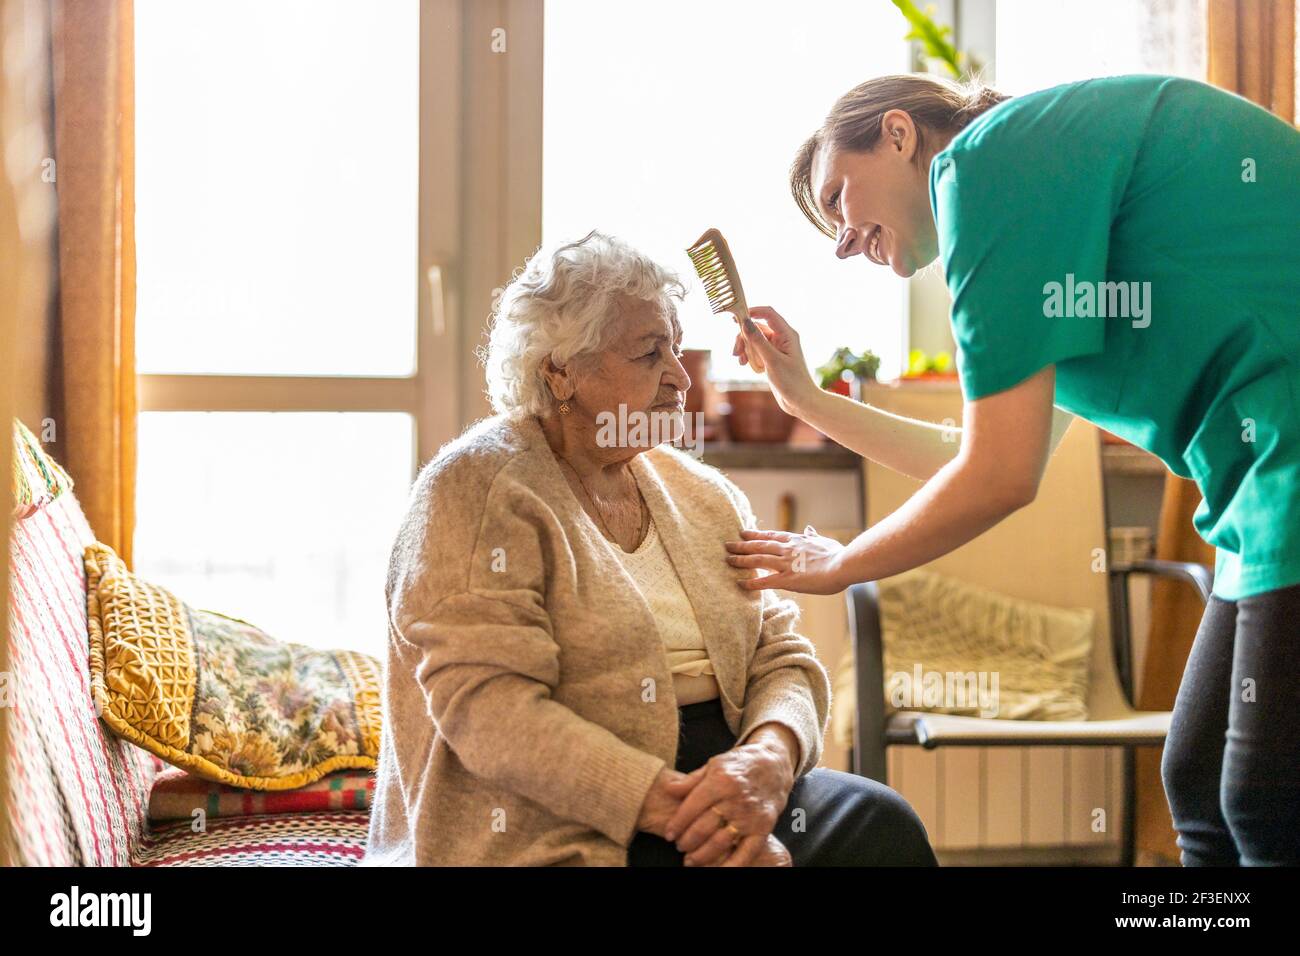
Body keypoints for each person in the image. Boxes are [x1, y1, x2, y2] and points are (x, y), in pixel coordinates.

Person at [725, 72, 1300, 866]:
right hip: (1262, 486)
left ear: (898, 135)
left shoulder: (987, 167)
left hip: (1287, 458)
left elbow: (999, 477)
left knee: (1265, 803)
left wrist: (843, 564)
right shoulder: (1037, 204)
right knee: (1200, 787)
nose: (841, 240)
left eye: (837, 200)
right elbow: (975, 453)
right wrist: (807, 401)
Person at [362, 229, 937, 866]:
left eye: (678, 350)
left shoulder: (700, 493)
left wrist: (767, 765)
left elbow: (781, 656)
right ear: (561, 372)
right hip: (553, 809)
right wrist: (686, 814)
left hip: (729, 779)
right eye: (649, 354)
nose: (679, 379)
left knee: (879, 824)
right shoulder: (479, 486)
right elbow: (491, 712)